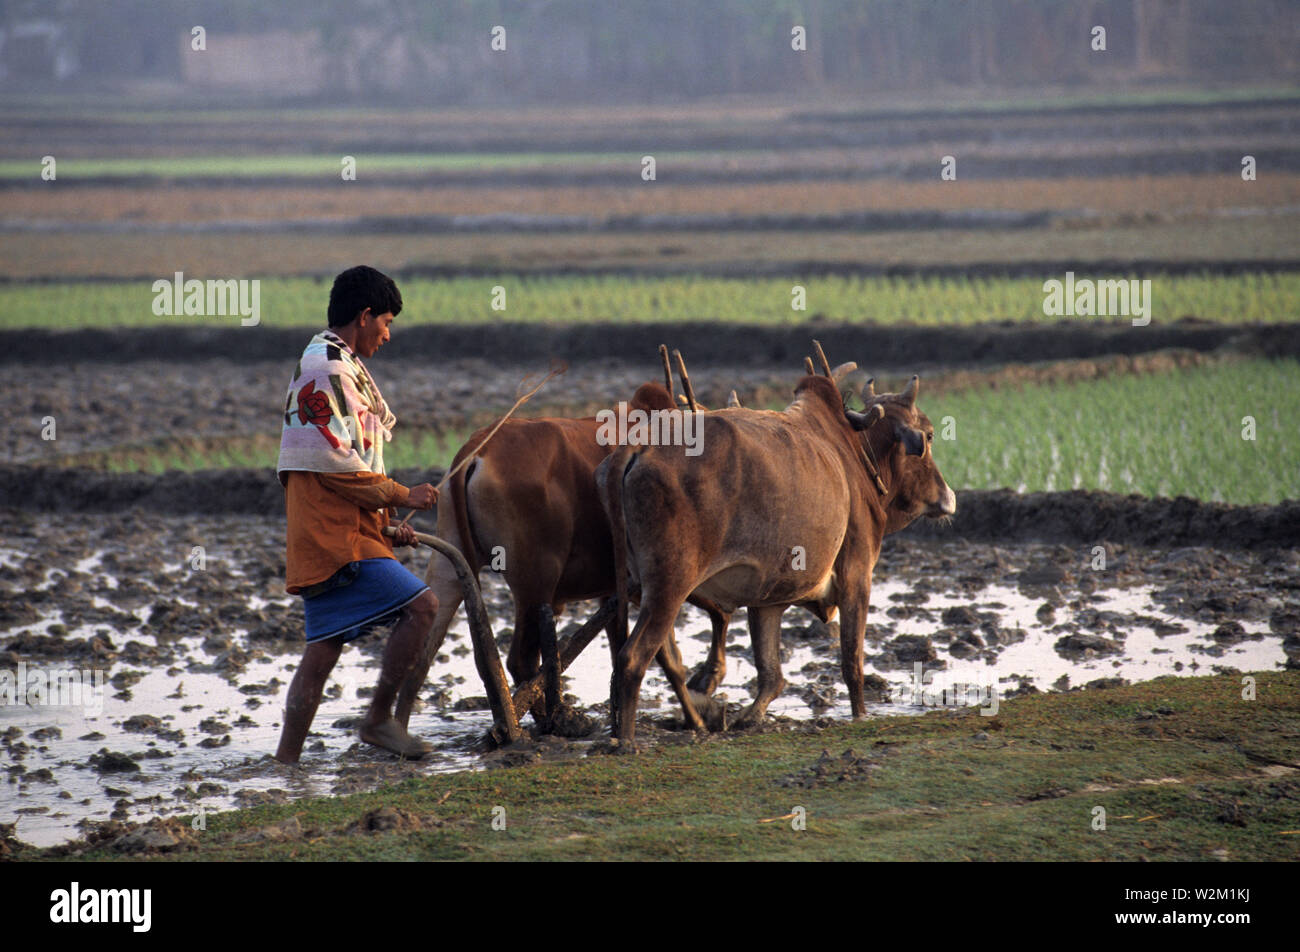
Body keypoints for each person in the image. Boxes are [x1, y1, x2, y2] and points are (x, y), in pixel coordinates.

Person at [274, 265, 439, 763]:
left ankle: (286, 764)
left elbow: (338, 465)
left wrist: (386, 524)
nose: (387, 335)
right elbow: (335, 466)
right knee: (423, 607)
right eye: (385, 322)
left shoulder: (329, 362)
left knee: (322, 652)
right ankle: (377, 720)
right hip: (335, 539)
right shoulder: (327, 370)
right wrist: (402, 494)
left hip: (333, 530)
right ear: (364, 316)